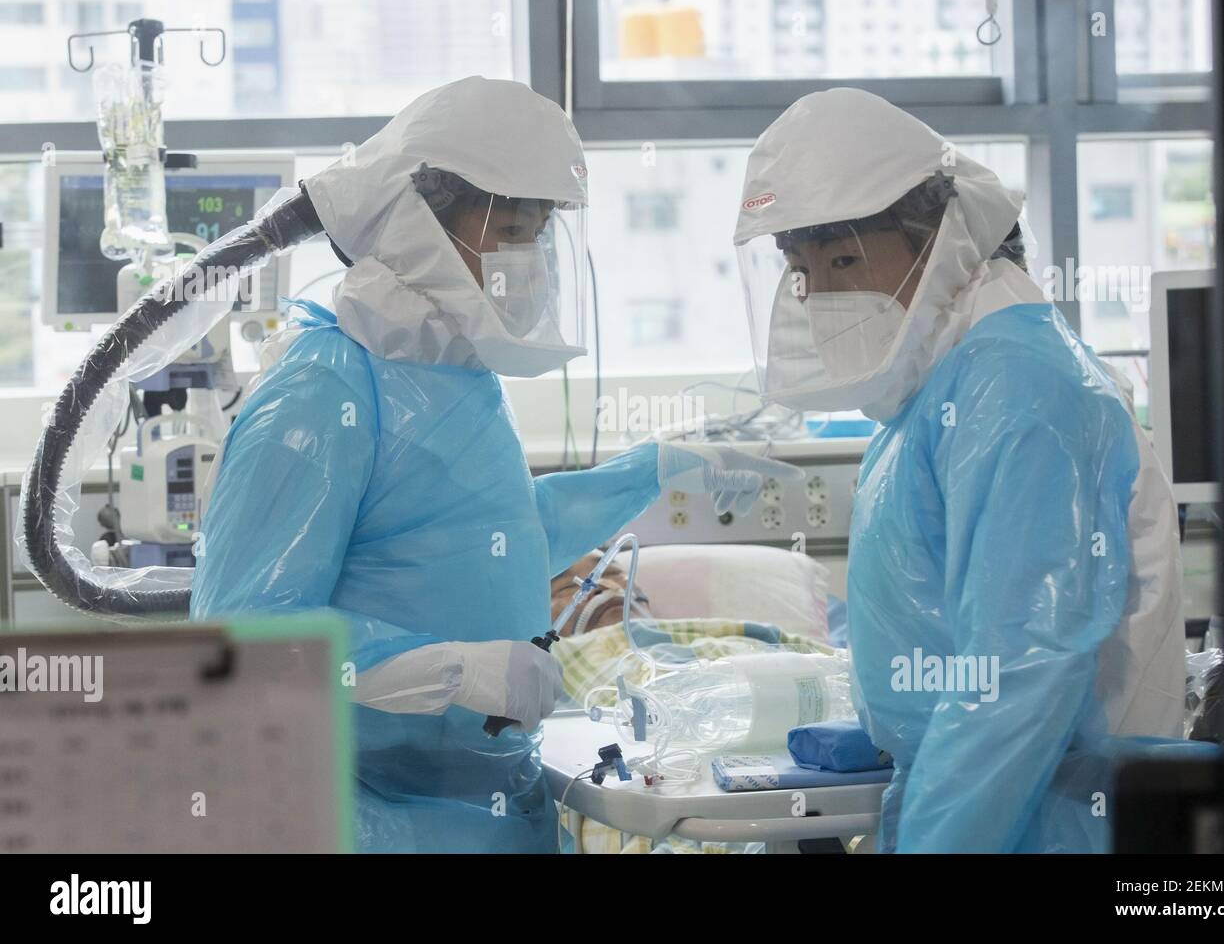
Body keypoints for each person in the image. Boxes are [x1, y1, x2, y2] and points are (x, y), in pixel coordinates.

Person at [191, 76, 798, 853]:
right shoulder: (322, 388)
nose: (533, 260)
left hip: (484, 809)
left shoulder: (453, 373)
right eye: (511, 228)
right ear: (420, 226)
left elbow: (492, 541)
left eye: (541, 233)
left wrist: (653, 466)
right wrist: (452, 671)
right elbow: (244, 638)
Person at [732, 88, 1185, 852]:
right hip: (991, 808)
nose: (822, 296)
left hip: (1045, 819)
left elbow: (1017, 680)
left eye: (843, 257)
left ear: (933, 237)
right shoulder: (943, 378)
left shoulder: (1017, 390)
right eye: (804, 271)